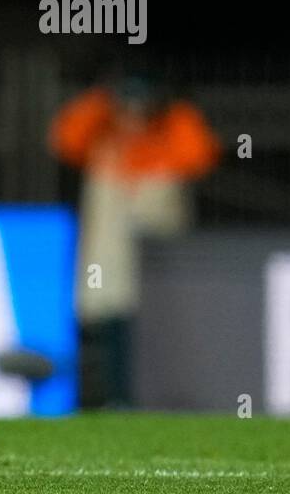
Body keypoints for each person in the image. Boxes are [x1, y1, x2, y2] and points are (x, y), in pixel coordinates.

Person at [49, 71, 220, 407]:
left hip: (161, 265)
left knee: (163, 334)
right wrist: (100, 99)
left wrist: (177, 112)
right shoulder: (104, 139)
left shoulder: (168, 138)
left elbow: (199, 156)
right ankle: (117, 398)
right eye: (126, 108)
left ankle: (163, 398)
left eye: (141, 108)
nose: (133, 117)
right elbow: (64, 139)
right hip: (111, 259)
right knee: (113, 326)